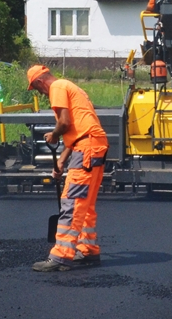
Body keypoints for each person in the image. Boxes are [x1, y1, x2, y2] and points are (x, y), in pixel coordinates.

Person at [27, 64, 110, 270]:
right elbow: (75, 130)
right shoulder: (71, 87)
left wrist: (53, 135)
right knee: (85, 204)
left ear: (39, 82)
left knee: (71, 203)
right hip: (94, 145)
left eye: (37, 89)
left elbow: (64, 124)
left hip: (87, 148)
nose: (41, 93)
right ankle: (88, 249)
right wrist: (62, 160)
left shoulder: (56, 88)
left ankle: (60, 255)